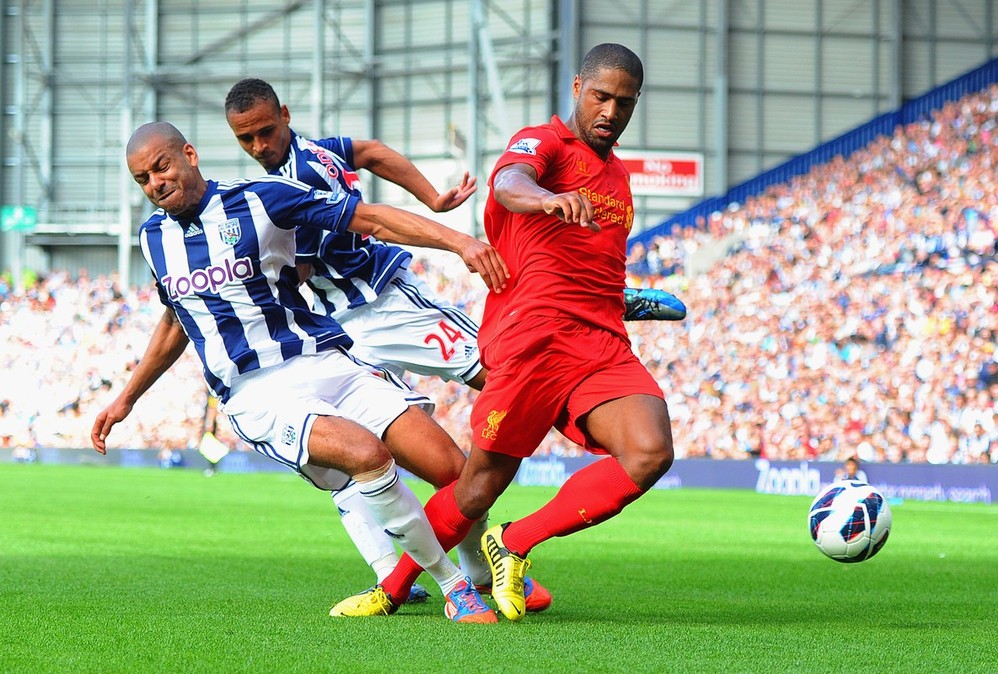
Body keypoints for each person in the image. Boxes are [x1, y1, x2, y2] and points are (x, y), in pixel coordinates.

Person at [91, 121, 511, 623]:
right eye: (142, 179)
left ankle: (481, 575)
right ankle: (454, 587)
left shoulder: (261, 199)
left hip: (324, 361)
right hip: (256, 393)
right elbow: (176, 319)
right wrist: (126, 398)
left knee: (452, 470)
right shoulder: (153, 238)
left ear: (189, 154)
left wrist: (460, 243)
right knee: (366, 456)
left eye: (161, 167)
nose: (155, 184)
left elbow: (371, 220)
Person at [332, 43, 675, 621]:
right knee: (477, 487)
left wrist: (624, 299)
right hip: (532, 340)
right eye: (601, 96)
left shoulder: (617, 175)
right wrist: (548, 198)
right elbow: (510, 184)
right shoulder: (543, 142)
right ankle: (392, 589)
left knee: (650, 452)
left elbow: (586, 264)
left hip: (600, 341)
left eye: (625, 102)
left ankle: (513, 542)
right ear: (577, 88)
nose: (611, 111)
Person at [224, 78, 558, 611]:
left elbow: (317, 258)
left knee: (502, 377)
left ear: (284, 114)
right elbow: (372, 152)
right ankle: (401, 578)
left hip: (388, 304)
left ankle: (583, 382)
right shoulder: (319, 151)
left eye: (266, 131)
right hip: (341, 332)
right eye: (246, 138)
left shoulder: (297, 177)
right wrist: (431, 196)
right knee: (354, 459)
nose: (259, 146)